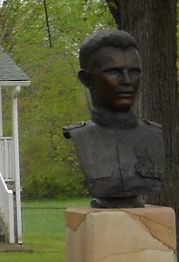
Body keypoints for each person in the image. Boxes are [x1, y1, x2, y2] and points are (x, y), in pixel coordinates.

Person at [63, 29, 166, 208]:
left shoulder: (154, 134)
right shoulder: (82, 137)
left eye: (134, 72)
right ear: (86, 79)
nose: (127, 80)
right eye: (113, 71)